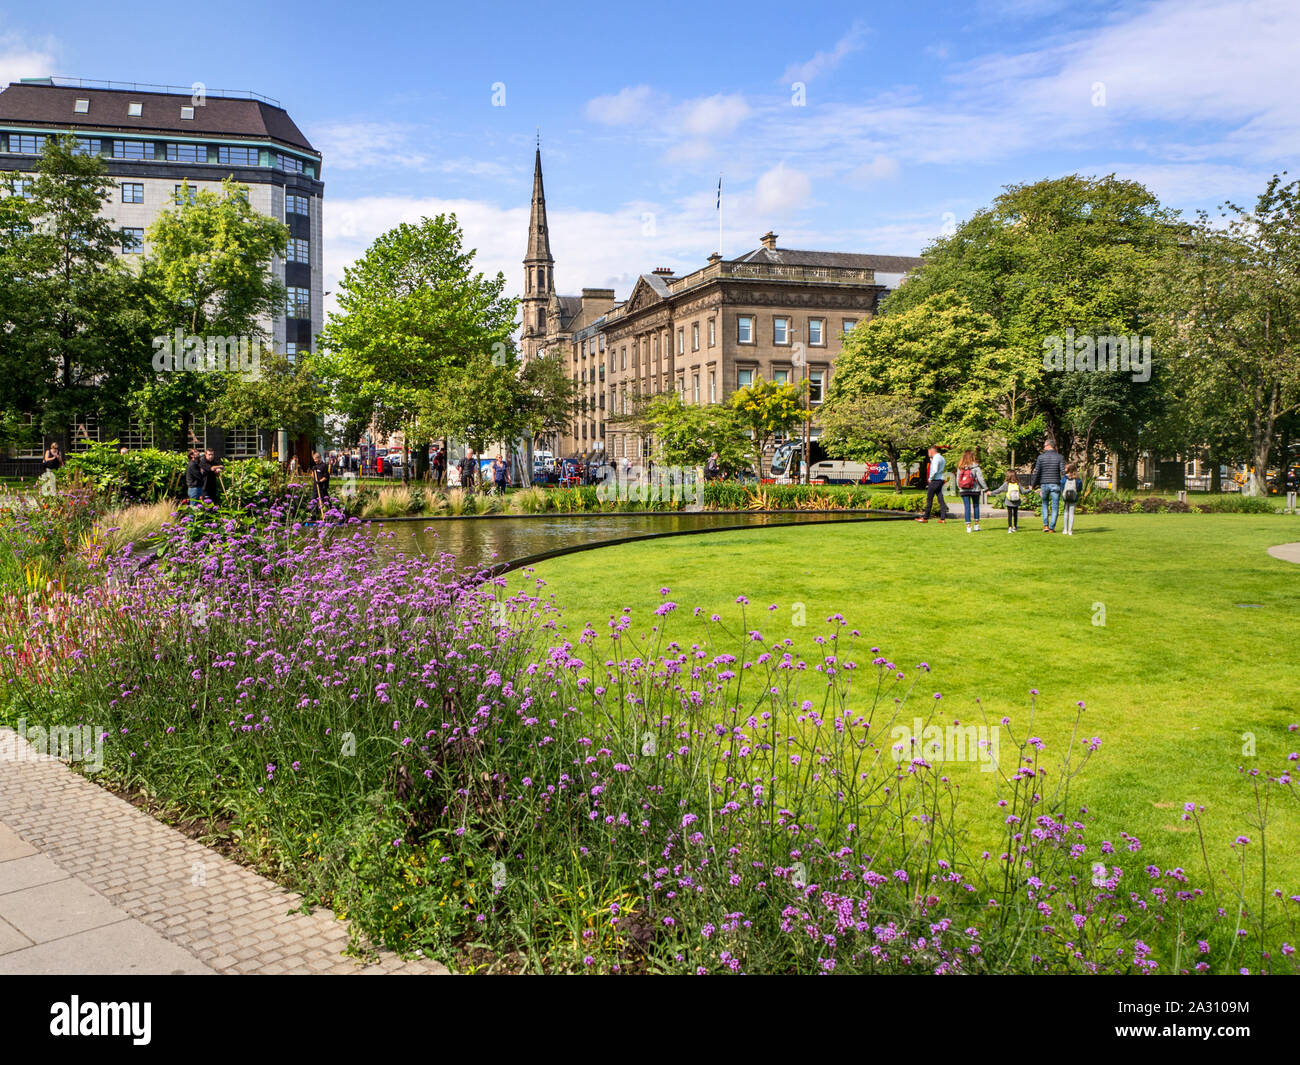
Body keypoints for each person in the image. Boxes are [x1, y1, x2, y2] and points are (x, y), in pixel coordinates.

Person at [1031, 439, 1066, 533]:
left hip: (1044, 484)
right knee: (1055, 506)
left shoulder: (1041, 457)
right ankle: (1052, 528)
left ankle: (1045, 525)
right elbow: (1063, 472)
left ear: (1048, 446)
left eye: (1044, 446)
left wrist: (1033, 484)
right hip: (1055, 483)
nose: (1043, 447)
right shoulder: (1060, 457)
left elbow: (1037, 472)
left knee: (1044, 504)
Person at [956, 450, 988, 533]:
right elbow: (981, 479)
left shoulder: (960, 467)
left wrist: (960, 488)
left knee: (967, 507)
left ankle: (968, 527)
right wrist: (985, 488)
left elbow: (957, 480)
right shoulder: (976, 467)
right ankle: (976, 526)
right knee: (976, 506)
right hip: (975, 489)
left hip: (964, 489)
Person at [915, 445, 948, 523]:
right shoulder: (941, 458)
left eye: (928, 452)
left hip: (934, 481)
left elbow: (935, 469)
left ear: (931, 451)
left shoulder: (936, 458)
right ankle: (942, 518)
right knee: (941, 499)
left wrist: (930, 478)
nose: (928, 453)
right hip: (940, 480)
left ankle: (925, 518)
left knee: (929, 499)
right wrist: (932, 461)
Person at [1061, 462, 1082, 536]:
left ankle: (1065, 529)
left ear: (1068, 469)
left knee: (1066, 513)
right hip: (1074, 497)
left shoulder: (1064, 478)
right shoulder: (1077, 479)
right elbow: (1079, 489)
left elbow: (1062, 487)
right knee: (1071, 514)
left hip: (1065, 497)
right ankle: (1070, 531)